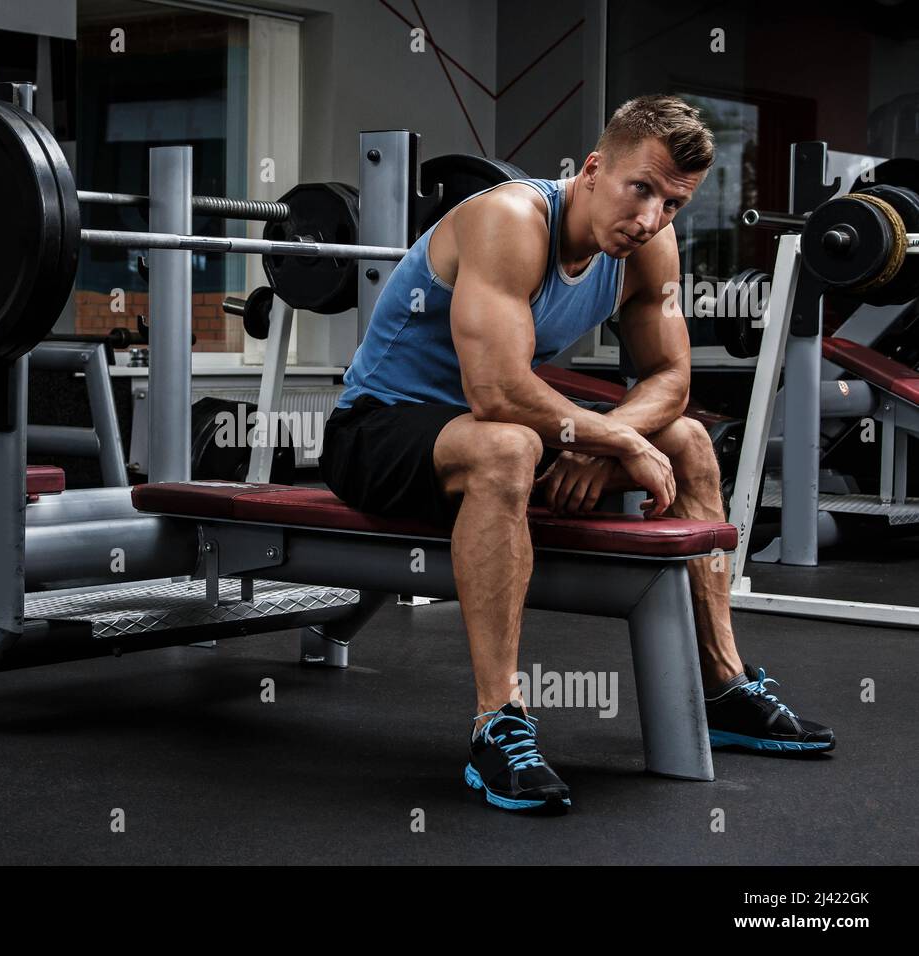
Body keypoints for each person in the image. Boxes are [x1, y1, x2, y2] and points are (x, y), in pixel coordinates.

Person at [319, 94, 835, 815]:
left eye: (673, 204)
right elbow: (497, 391)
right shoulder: (510, 221)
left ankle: (722, 684)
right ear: (593, 169)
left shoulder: (647, 247)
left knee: (684, 440)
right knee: (509, 445)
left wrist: (603, 438)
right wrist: (614, 436)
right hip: (378, 430)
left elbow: (671, 379)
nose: (652, 218)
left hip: (502, 432)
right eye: (640, 189)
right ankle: (497, 721)